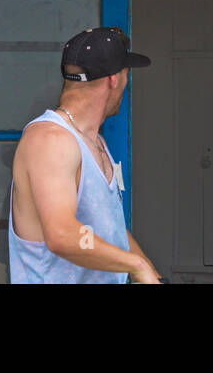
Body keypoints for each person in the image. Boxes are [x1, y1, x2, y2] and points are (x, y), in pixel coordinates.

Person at [9, 26, 163, 283]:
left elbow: (107, 229)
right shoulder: (50, 140)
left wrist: (152, 274)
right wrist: (136, 266)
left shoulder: (93, 141)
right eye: (126, 74)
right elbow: (62, 234)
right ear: (114, 79)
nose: (127, 83)